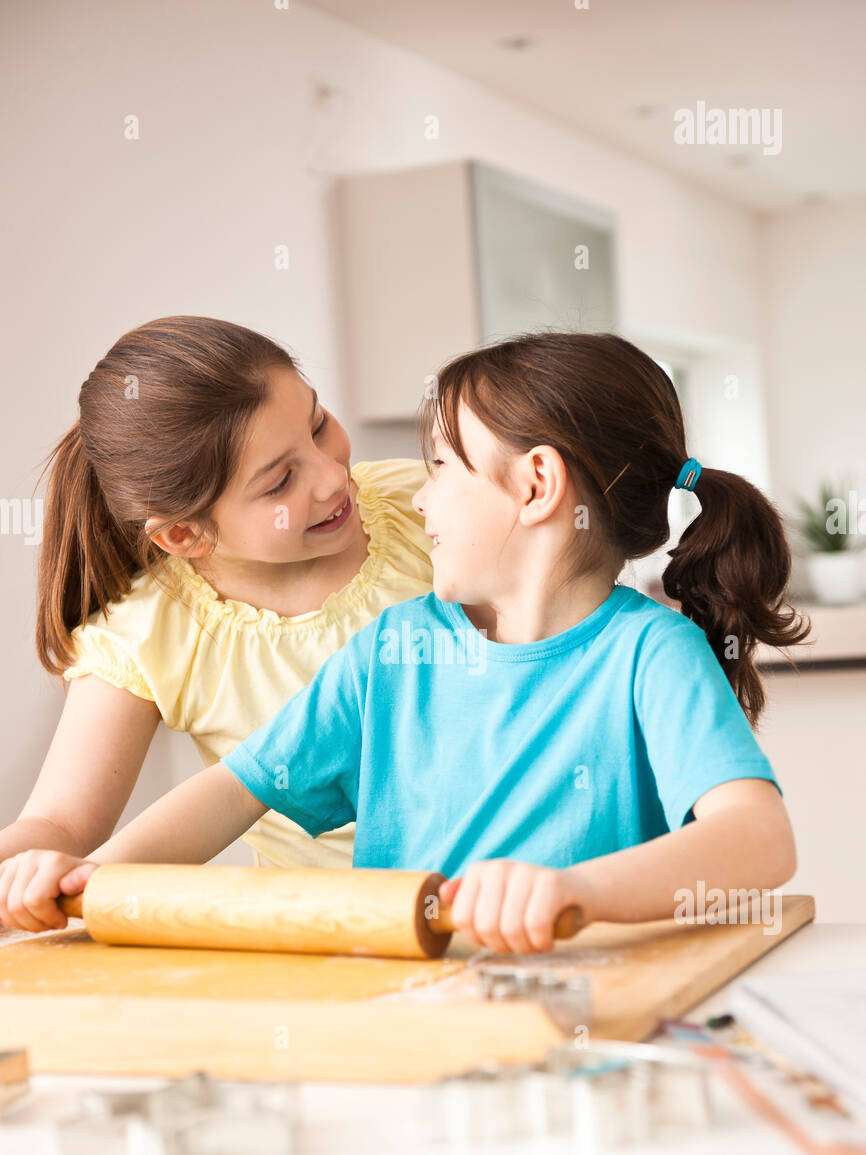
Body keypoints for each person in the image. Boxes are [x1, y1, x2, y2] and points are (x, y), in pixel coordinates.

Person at [0, 332, 808, 953]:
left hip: (590, 1004)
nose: (409, 496)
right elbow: (234, 791)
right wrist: (101, 872)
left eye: (439, 466)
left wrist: (574, 892)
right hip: (402, 997)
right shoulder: (394, 650)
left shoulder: (651, 656)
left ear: (535, 486)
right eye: (278, 479)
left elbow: (758, 840)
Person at [0, 315, 433, 880]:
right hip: (329, 938)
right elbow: (59, 823)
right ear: (183, 534)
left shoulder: (426, 509)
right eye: (280, 482)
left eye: (319, 423)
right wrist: (27, 868)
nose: (331, 478)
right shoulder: (152, 628)